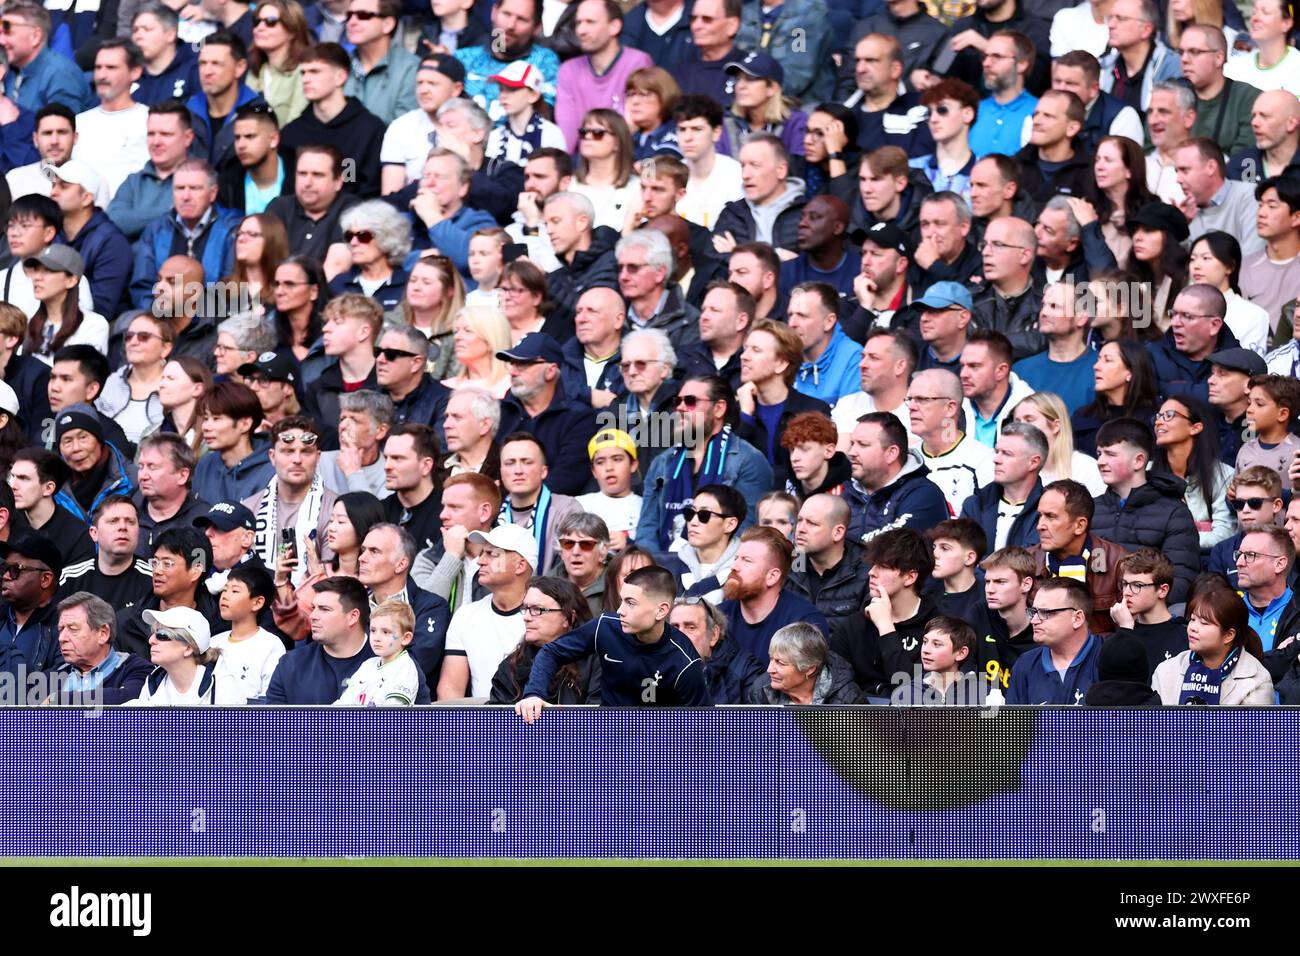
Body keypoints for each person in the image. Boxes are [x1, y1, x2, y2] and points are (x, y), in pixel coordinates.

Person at [1091, 416, 1200, 603]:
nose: (1101, 461)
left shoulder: (1174, 512)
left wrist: (1140, 612)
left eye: (1110, 454)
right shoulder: (1091, 509)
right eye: (1099, 453)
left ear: (1138, 461)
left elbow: (1181, 580)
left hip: (1149, 620)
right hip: (1096, 618)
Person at [436, 523, 533, 700]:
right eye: (482, 553)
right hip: (477, 723)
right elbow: (450, 689)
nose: (480, 561)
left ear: (520, 566)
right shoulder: (465, 616)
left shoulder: (548, 614)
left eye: (492, 554)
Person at [128, 160, 240, 310]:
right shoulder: (157, 230)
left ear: (212, 193)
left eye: (194, 188)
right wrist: (161, 321)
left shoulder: (232, 228)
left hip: (213, 324)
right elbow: (142, 287)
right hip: (163, 322)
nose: (185, 196)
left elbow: (232, 288)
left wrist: (194, 321)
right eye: (179, 188)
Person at [279, 43, 385, 199]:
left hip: (354, 217)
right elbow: (288, 191)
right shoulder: (292, 132)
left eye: (315, 72)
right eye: (303, 73)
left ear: (340, 77)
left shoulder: (370, 129)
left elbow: (370, 190)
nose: (306, 79)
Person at [495, 332, 596, 497]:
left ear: (550, 371)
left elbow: (566, 479)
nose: (512, 372)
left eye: (522, 364)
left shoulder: (579, 418)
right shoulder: (498, 413)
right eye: (511, 364)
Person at [1028, 477, 1127, 633]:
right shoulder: (1027, 562)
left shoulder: (1118, 563)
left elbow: (1129, 631)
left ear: (1080, 525)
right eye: (1040, 516)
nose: (1040, 526)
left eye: (1051, 517)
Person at [264, 576, 385, 703]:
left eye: (324, 609)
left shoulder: (391, 664)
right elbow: (274, 721)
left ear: (353, 616)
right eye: (313, 608)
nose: (312, 616)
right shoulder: (290, 665)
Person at [1152, 581, 1275, 705]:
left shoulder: (1256, 680)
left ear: (1229, 635)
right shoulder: (1166, 671)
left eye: (1204, 623)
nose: (1193, 627)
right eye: (1193, 619)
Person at [357, 523, 451, 682]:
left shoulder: (432, 607)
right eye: (363, 550)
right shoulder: (354, 606)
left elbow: (417, 666)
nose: (361, 558)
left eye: (374, 551)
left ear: (401, 564)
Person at [844, 411, 949, 546]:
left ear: (891, 453)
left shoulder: (923, 495)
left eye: (863, 444)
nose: (851, 452)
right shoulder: (843, 491)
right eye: (852, 443)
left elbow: (896, 553)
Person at [488, 576, 597, 704]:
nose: (527, 617)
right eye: (525, 608)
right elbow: (498, 718)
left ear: (569, 618)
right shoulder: (512, 666)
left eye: (537, 609)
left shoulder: (595, 661)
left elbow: (599, 717)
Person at [46, 160, 132, 319]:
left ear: (86, 198)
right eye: (53, 185)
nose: (53, 192)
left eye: (63, 186)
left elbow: (102, 308)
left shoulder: (112, 242)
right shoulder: (52, 234)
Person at [1151, 393, 1234, 549]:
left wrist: (1168, 538)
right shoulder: (1146, 473)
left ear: (1195, 427)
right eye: (1158, 416)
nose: (1159, 422)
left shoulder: (1223, 474)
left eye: (1169, 415)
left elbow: (1224, 535)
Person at [116, 526, 215, 658]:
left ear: (195, 571)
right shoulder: (126, 623)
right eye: (155, 562)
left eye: (167, 564)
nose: (157, 570)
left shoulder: (218, 623)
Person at [70, 39, 149, 201]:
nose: (101, 75)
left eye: (111, 68)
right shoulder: (78, 122)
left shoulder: (149, 120)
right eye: (98, 67)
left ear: (135, 72)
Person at [907, 368, 993, 514]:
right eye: (910, 400)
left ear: (950, 408)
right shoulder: (907, 459)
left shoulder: (983, 461)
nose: (912, 407)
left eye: (922, 400)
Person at [1004, 577, 1100, 704]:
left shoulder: (1106, 659)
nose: (1033, 621)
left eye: (1045, 612)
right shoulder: (1025, 664)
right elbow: (1015, 722)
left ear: (1077, 618)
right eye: (1033, 612)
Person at [958, 420, 1047, 554]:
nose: (996, 459)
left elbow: (1035, 563)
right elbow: (961, 559)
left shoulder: (1047, 512)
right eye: (997, 451)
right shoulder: (975, 505)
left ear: (1033, 462)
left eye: (1007, 453)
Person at [48, 591, 153, 704]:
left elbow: (128, 699)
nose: (62, 638)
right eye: (61, 629)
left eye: (73, 629)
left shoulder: (137, 669)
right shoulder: (50, 676)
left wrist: (57, 699)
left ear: (103, 634)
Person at [264, 144, 357, 266]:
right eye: (302, 174)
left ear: (338, 182)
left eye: (317, 175)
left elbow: (336, 268)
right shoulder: (278, 207)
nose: (307, 183)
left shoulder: (353, 211)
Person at [55, 494, 153, 611]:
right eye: (113, 521)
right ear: (94, 533)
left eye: (130, 521)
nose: (123, 527)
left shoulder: (153, 580)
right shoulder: (70, 578)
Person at [713, 134, 807, 254]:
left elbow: (812, 266)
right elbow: (714, 265)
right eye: (743, 166)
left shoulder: (806, 214)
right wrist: (780, 259)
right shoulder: (731, 214)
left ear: (781, 170)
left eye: (755, 165)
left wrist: (736, 254)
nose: (745, 175)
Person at [843, 33, 933, 158]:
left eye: (871, 60)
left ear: (895, 69)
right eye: (858, 60)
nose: (860, 69)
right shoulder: (842, 115)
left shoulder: (919, 111)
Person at [1011, 282, 1097, 410]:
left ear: (1081, 317)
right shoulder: (1020, 371)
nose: (1043, 313)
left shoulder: (1100, 369)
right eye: (1043, 305)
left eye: (1054, 306)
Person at [1146, 283, 1236, 405]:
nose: (1175, 323)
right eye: (1173, 314)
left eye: (1187, 316)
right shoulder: (1150, 354)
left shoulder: (1238, 365)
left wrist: (1167, 389)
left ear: (1214, 325)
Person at [1179, 24, 1260, 157]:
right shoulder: (1172, 95)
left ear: (1219, 58)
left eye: (1194, 52)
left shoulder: (1248, 97)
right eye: (1181, 52)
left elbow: (1245, 160)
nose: (1184, 59)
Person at [1107, 548, 1190, 677]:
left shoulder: (1185, 637)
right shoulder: (1122, 632)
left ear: (1162, 590)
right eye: (1124, 584)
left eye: (1137, 585)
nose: (1126, 592)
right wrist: (1125, 631)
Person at [129, 605, 234, 705]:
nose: (151, 640)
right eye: (152, 633)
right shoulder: (152, 682)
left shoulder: (223, 685)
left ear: (188, 648)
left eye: (162, 635)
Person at [209, 562, 283, 703]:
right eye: (224, 590)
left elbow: (269, 700)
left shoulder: (271, 645)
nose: (224, 596)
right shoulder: (212, 642)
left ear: (257, 603)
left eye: (235, 591)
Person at [192, 380, 275, 505]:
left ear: (245, 424)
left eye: (216, 419)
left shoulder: (272, 470)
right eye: (205, 418)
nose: (206, 427)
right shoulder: (205, 466)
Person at [22, 245, 109, 364]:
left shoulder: (93, 325)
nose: (36, 277)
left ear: (71, 280)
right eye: (36, 270)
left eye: (48, 270)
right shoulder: (29, 322)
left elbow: (85, 376)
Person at [617, 228, 700, 354]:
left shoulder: (690, 321)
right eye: (620, 268)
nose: (623, 276)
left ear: (660, 273)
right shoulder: (613, 317)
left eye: (633, 268)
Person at [1188, 231, 1270, 357]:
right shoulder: (1181, 306)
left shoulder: (1254, 315)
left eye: (1206, 258)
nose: (1196, 266)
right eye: (1192, 259)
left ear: (1230, 267)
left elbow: (1249, 366)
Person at [971, 216, 1043, 359]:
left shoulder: (1049, 303)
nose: (985, 252)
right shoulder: (968, 300)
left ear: (1024, 255)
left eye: (997, 244)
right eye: (984, 244)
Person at [0, 2, 89, 114]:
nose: (1, 41)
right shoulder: (11, 71)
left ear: (35, 36)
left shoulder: (59, 74)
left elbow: (60, 129)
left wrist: (12, 122)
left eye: (8, 32)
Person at [1011, 392, 1104, 495]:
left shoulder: (1086, 469)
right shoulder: (1008, 467)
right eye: (1017, 422)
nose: (1021, 427)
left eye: (1029, 420)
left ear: (1056, 426)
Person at [1050, 50, 1144, 152]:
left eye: (1070, 83)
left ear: (1093, 89)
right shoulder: (1044, 110)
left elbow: (1125, 164)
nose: (1061, 89)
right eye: (1057, 81)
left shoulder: (1123, 117)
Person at [673, 94, 744, 229]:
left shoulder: (736, 175)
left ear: (716, 132)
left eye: (697, 129)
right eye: (682, 129)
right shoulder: (670, 175)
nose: (688, 137)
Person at [1240, 177, 1300, 337]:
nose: (1261, 213)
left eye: (1272, 206)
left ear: (1296, 217)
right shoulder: (1246, 266)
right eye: (1260, 205)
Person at [786, 281, 861, 405]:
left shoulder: (853, 359)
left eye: (802, 316)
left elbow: (850, 420)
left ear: (829, 322)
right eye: (790, 315)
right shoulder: (782, 356)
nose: (792, 323)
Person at [0, 530, 66, 671]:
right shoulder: (2, 617)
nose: (5, 576)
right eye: (4, 569)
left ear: (45, 579)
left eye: (15, 570)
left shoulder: (67, 627)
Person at [957, 329, 1033, 449]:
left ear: (1001, 371)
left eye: (974, 366)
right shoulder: (950, 411)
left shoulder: (1031, 415)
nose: (963, 374)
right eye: (962, 366)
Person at [967, 30, 1037, 160]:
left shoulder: (1039, 112)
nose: (986, 63)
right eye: (985, 56)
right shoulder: (972, 110)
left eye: (997, 56)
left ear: (1022, 64)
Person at [134, 433, 207, 553]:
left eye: (152, 467)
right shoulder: (127, 511)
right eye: (141, 467)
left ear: (182, 475)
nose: (143, 476)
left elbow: (201, 568)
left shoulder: (203, 521)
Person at [374, 324, 451, 435]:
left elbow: (440, 450)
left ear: (416, 363)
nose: (380, 359)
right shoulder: (368, 397)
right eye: (377, 352)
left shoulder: (445, 402)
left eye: (390, 354)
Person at [379, 422, 445, 552]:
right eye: (386, 458)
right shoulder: (379, 512)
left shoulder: (446, 514)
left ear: (426, 465)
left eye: (398, 458)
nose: (387, 466)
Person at [676, 0, 747, 107]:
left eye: (707, 19)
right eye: (693, 18)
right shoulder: (679, 72)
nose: (696, 26)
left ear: (732, 25)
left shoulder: (749, 71)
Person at [1238, 373, 1300, 492]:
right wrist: (1231, 497)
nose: (1249, 410)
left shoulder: (1296, 452)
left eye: (1259, 404)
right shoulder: (1245, 449)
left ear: (1282, 414)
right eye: (1249, 403)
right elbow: (1235, 497)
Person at [130, 4, 201, 107]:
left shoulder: (194, 70)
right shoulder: (128, 74)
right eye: (135, 30)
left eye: (147, 29)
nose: (138, 36)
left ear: (170, 35)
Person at [1224, 0, 1300, 93]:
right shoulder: (1234, 66)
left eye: (1265, 12)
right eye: (1254, 12)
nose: (1255, 18)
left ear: (1286, 23)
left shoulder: (1296, 68)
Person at [1228, 90, 1300, 184]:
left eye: (1264, 116)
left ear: (1291, 124)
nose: (1254, 123)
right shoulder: (1238, 166)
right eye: (1253, 116)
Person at [1145, 81, 1196, 203]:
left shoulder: (1208, 165)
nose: (1153, 121)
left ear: (1188, 119)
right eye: (1150, 112)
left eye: (1163, 112)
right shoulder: (1140, 165)